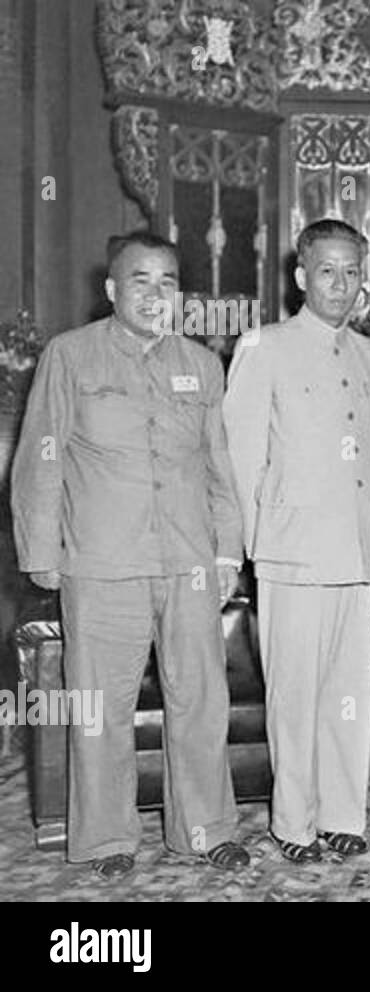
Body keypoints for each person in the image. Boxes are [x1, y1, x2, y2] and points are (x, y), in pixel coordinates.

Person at [11, 231, 249, 877]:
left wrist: (228, 553)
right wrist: (41, 550)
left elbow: (218, 466)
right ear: (112, 289)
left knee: (201, 700)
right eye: (140, 280)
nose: (155, 293)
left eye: (167, 281)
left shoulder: (202, 363)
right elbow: (40, 457)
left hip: (189, 560)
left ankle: (204, 829)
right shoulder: (71, 356)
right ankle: (106, 841)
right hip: (102, 563)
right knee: (100, 705)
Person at [224, 219, 370, 863]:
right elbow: (241, 458)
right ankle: (295, 823)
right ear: (300, 277)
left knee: (353, 689)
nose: (341, 285)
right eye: (327, 271)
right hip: (291, 550)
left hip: (357, 548)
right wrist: (251, 549)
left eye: (352, 272)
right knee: (294, 694)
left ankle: (345, 813)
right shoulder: (265, 346)